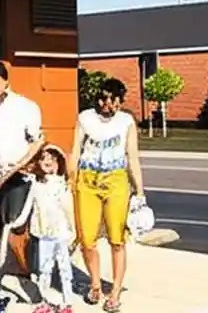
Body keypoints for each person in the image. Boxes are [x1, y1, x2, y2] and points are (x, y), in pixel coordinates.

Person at [69, 78, 144, 313]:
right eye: (103, 98)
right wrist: (70, 179)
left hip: (117, 182)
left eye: (113, 100)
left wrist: (140, 191)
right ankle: (95, 285)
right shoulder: (85, 118)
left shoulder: (126, 122)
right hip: (88, 181)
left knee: (116, 239)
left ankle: (115, 292)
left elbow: (132, 157)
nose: (107, 104)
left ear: (121, 101)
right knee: (87, 239)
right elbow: (75, 151)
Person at [0, 60, 45, 278]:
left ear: (6, 81)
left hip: (22, 175)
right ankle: (5, 267)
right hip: (0, 177)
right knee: (0, 224)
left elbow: (38, 141)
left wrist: (22, 165)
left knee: (17, 226)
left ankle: (29, 271)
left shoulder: (25, 106)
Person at [29, 145, 76, 313]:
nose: (47, 162)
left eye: (52, 158)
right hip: (44, 232)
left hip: (61, 232)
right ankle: (44, 300)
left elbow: (69, 209)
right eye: (43, 158)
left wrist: (74, 231)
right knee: (44, 267)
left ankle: (67, 302)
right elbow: (29, 207)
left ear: (59, 163)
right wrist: (15, 223)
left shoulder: (63, 185)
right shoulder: (36, 184)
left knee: (64, 267)